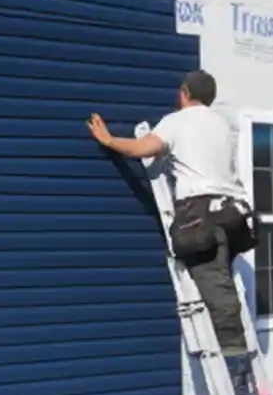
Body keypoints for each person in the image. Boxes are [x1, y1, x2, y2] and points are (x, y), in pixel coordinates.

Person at [86, 69, 258, 356]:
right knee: (221, 271)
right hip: (235, 215)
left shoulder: (177, 121)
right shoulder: (222, 124)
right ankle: (235, 337)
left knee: (209, 273)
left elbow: (144, 148)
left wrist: (109, 140)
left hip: (202, 214)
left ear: (185, 93)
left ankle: (231, 343)